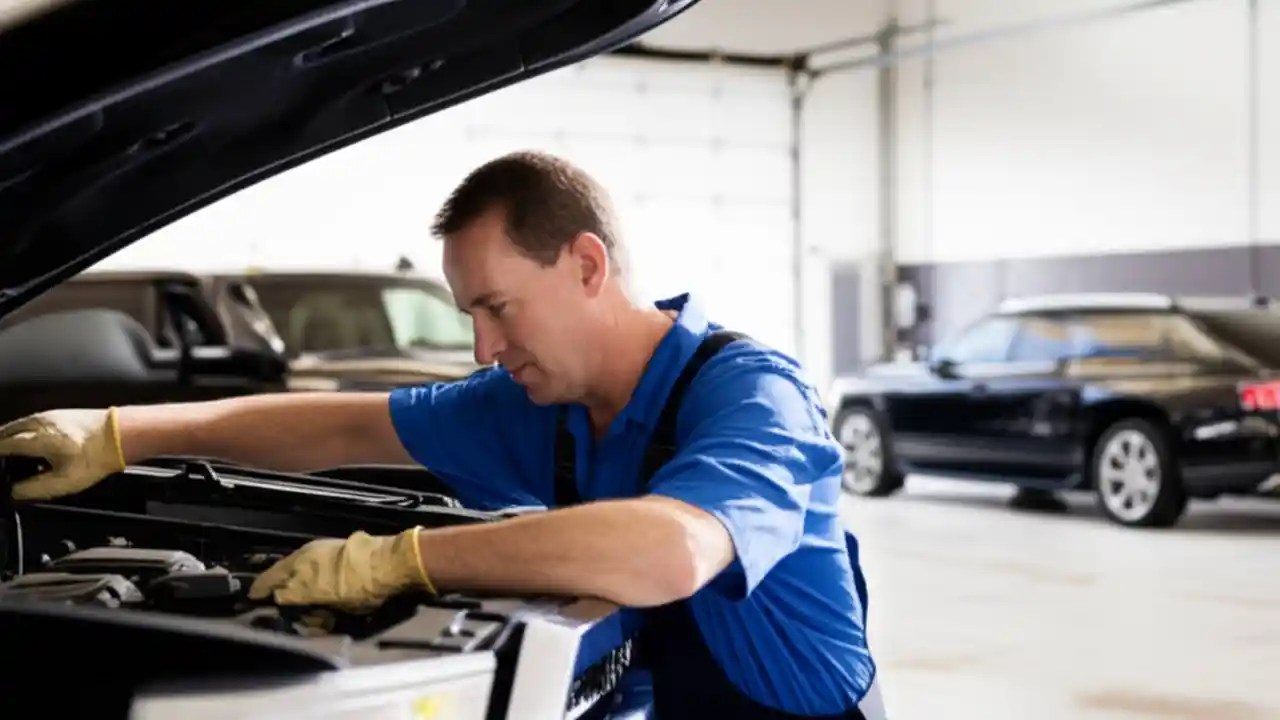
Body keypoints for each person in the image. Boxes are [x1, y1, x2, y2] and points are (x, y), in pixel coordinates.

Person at [0, 151, 885, 719]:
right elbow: (340, 420)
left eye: (497, 308)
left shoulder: (752, 396)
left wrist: (401, 561)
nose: (483, 348)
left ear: (586, 266)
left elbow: (670, 552)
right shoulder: (540, 403)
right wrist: (120, 434)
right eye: (470, 315)